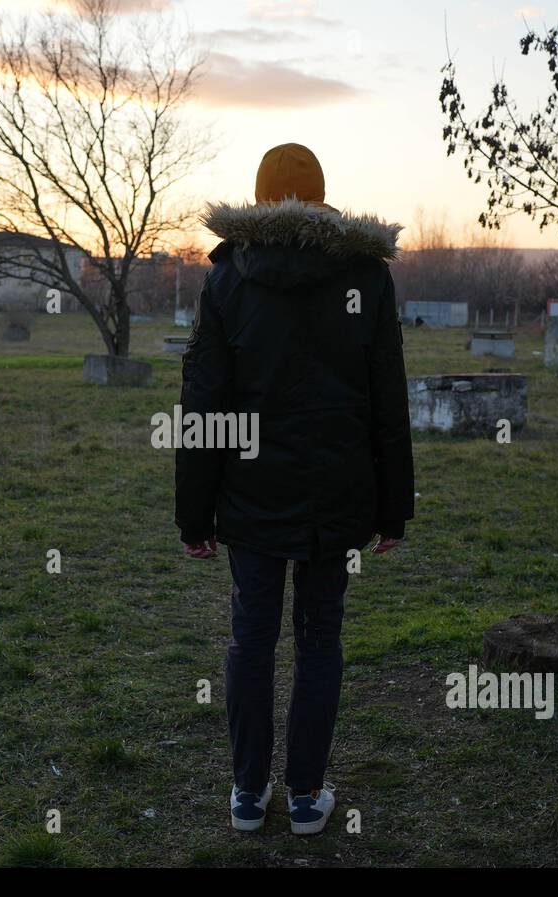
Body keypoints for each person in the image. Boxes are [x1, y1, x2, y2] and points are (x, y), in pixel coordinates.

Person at [175, 143, 414, 835]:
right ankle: (306, 797)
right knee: (319, 639)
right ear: (322, 198)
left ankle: (248, 795)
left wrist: (195, 514)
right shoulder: (366, 277)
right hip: (338, 502)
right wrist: (394, 506)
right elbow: (386, 398)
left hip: (250, 499)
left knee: (251, 640)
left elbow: (205, 404)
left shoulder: (227, 280)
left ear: (259, 199)